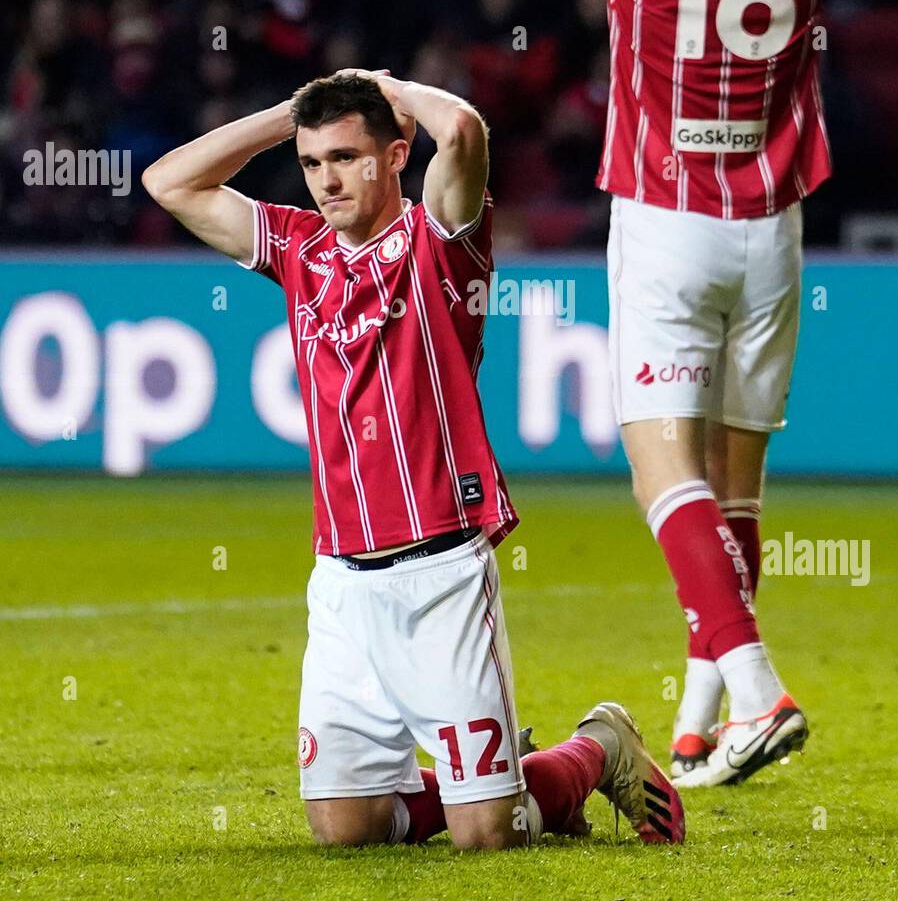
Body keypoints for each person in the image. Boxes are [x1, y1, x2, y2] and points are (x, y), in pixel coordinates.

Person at [460, 0, 898, 787]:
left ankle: (759, 689)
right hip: (771, 229)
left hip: (669, 223)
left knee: (660, 470)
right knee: (738, 483)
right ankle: (700, 717)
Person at [142, 69, 684, 847]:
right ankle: (489, 780)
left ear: (396, 155)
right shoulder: (301, 251)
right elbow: (170, 181)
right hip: (340, 581)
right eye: (311, 163)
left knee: (485, 838)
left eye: (346, 157)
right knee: (345, 829)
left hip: (441, 570)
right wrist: (289, 111)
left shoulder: (439, 243)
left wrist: (388, 84)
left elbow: (461, 132)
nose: (326, 179)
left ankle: (596, 752)